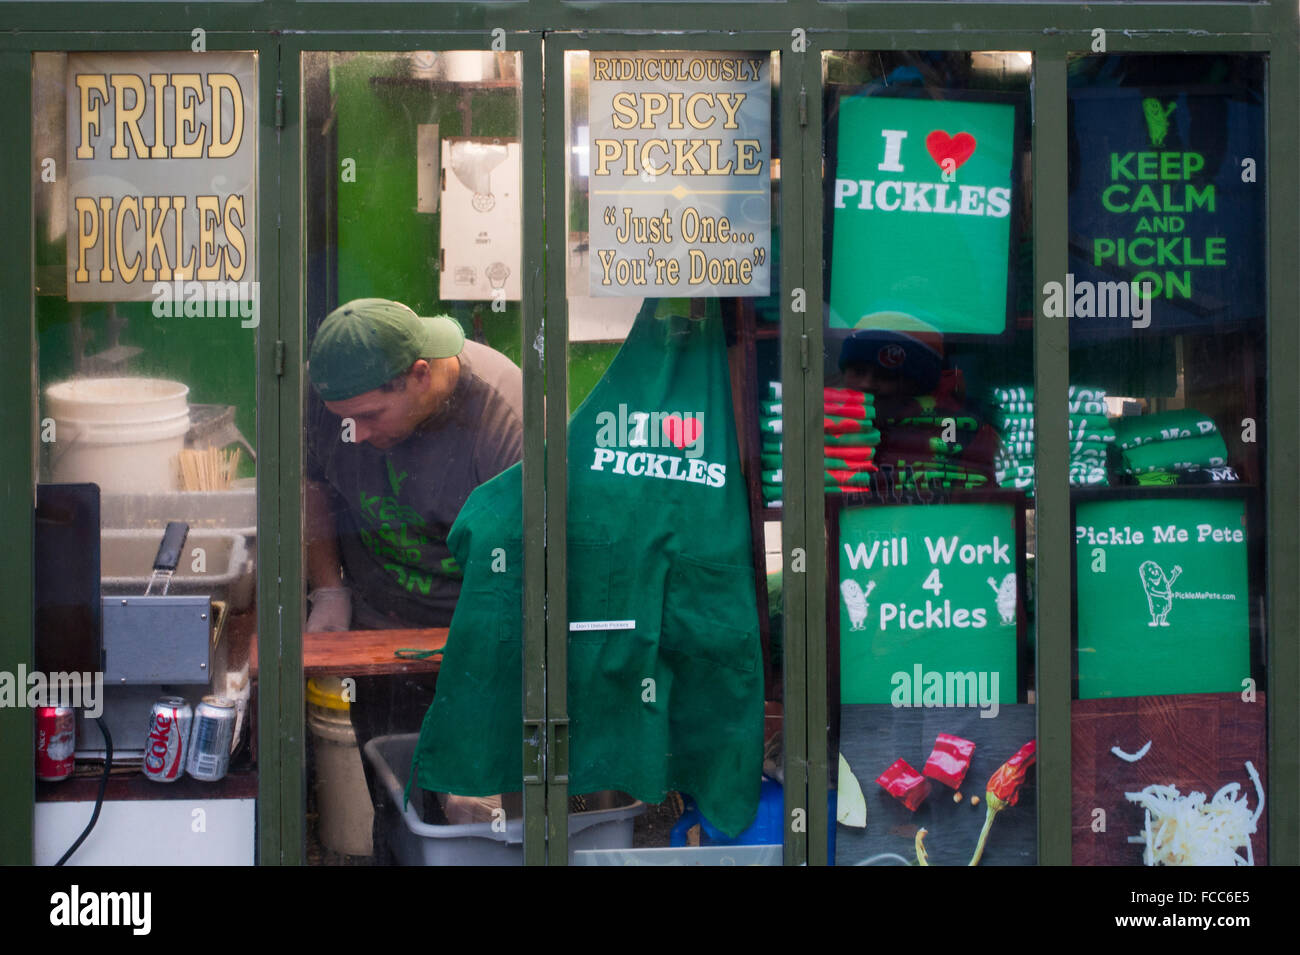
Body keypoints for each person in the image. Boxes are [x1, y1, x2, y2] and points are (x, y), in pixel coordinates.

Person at [303, 296, 523, 848]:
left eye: (370, 417)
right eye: (343, 421)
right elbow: (312, 490)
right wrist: (330, 591)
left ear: (419, 374)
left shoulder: (505, 415)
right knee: (398, 808)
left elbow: (525, 569)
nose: (354, 433)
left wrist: (483, 711)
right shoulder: (333, 392)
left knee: (478, 820)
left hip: (475, 636)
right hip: (379, 633)